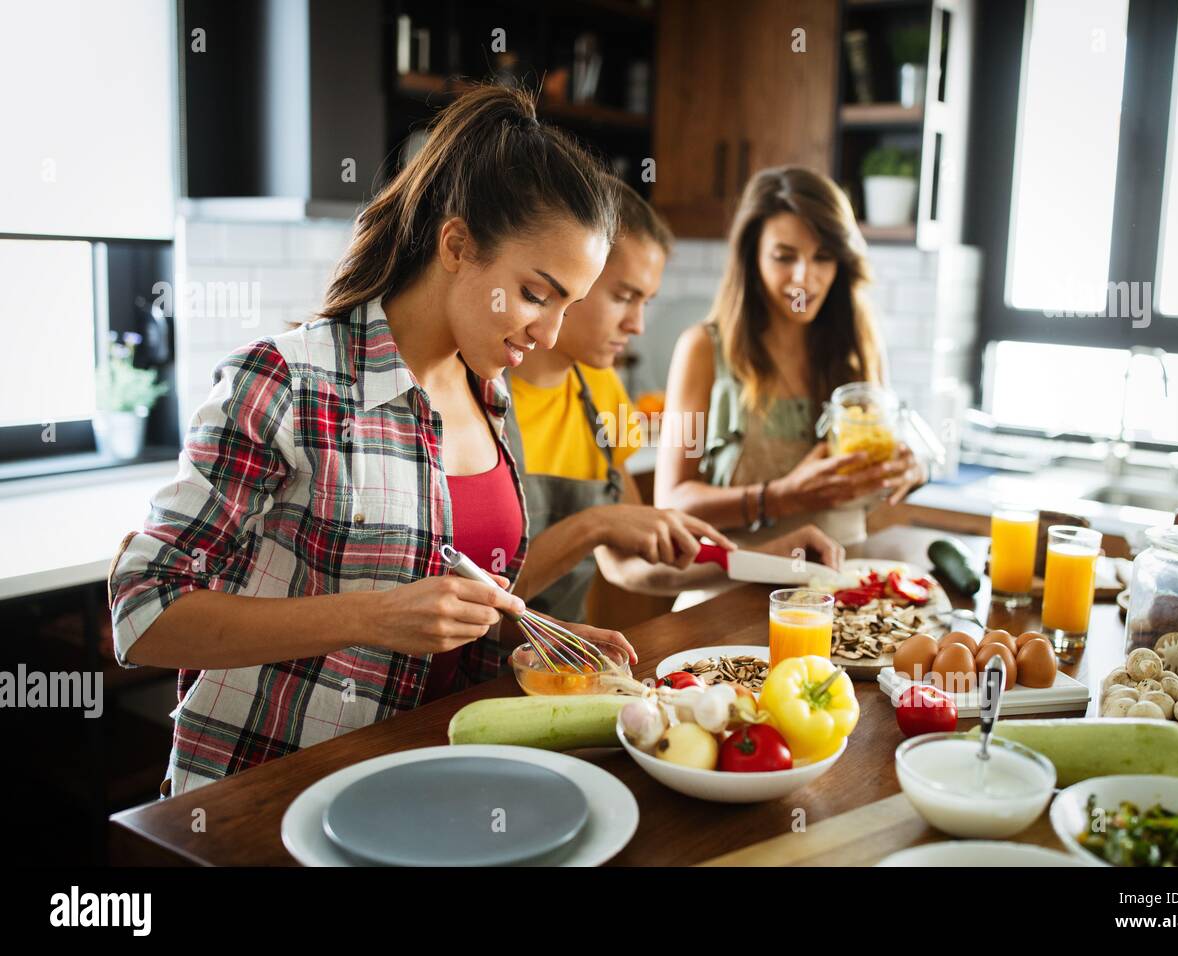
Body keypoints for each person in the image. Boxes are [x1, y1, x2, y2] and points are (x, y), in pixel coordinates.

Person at [108, 86, 631, 795]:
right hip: (270, 798)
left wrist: (536, 634)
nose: (549, 334)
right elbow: (144, 610)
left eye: (568, 306)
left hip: (425, 790)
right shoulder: (289, 381)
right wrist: (376, 617)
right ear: (456, 245)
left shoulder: (487, 394)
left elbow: (451, 599)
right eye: (537, 295)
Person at [508, 180, 846, 619]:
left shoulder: (600, 390)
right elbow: (469, 589)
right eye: (624, 296)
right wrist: (595, 525)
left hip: (559, 663)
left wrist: (766, 559)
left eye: (647, 301)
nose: (638, 325)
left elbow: (628, 565)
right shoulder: (475, 393)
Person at [656, 166, 927, 560]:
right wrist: (779, 499)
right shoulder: (702, 349)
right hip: (733, 587)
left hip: (845, 585)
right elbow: (672, 502)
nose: (805, 278)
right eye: (784, 257)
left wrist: (910, 470)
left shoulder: (861, 341)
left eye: (823, 257)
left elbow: (883, 461)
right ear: (751, 257)